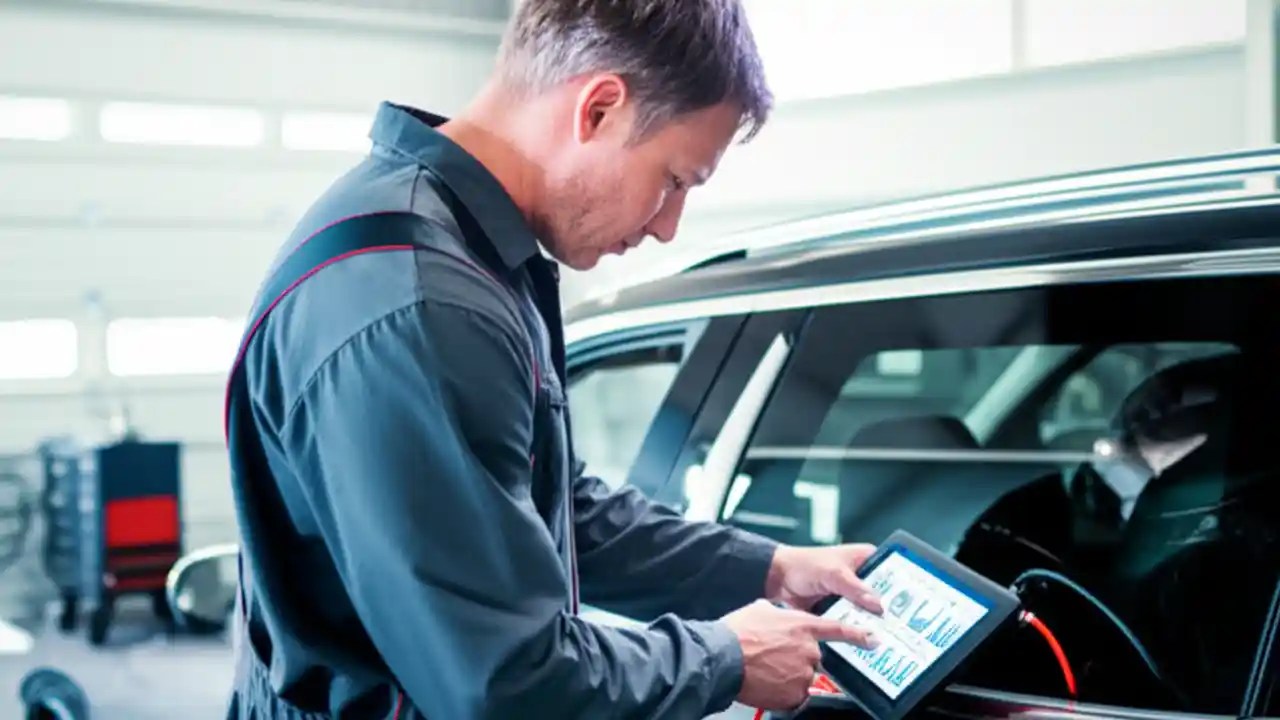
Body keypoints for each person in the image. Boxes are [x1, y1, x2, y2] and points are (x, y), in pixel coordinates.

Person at [225, 2, 883, 718]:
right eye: (675, 180)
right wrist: (726, 659)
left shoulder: (450, 249)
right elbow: (506, 682)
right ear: (598, 109)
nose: (668, 227)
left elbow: (546, 508)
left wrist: (767, 570)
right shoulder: (424, 304)